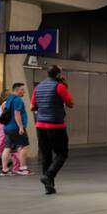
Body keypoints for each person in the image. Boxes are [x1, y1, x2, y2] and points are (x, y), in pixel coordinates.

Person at [31, 66, 74, 194]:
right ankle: (48, 176)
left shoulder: (38, 87)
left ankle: (48, 187)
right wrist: (65, 86)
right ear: (58, 75)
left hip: (40, 126)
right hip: (56, 126)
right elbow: (70, 104)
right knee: (62, 153)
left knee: (46, 155)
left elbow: (32, 107)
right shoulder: (59, 87)